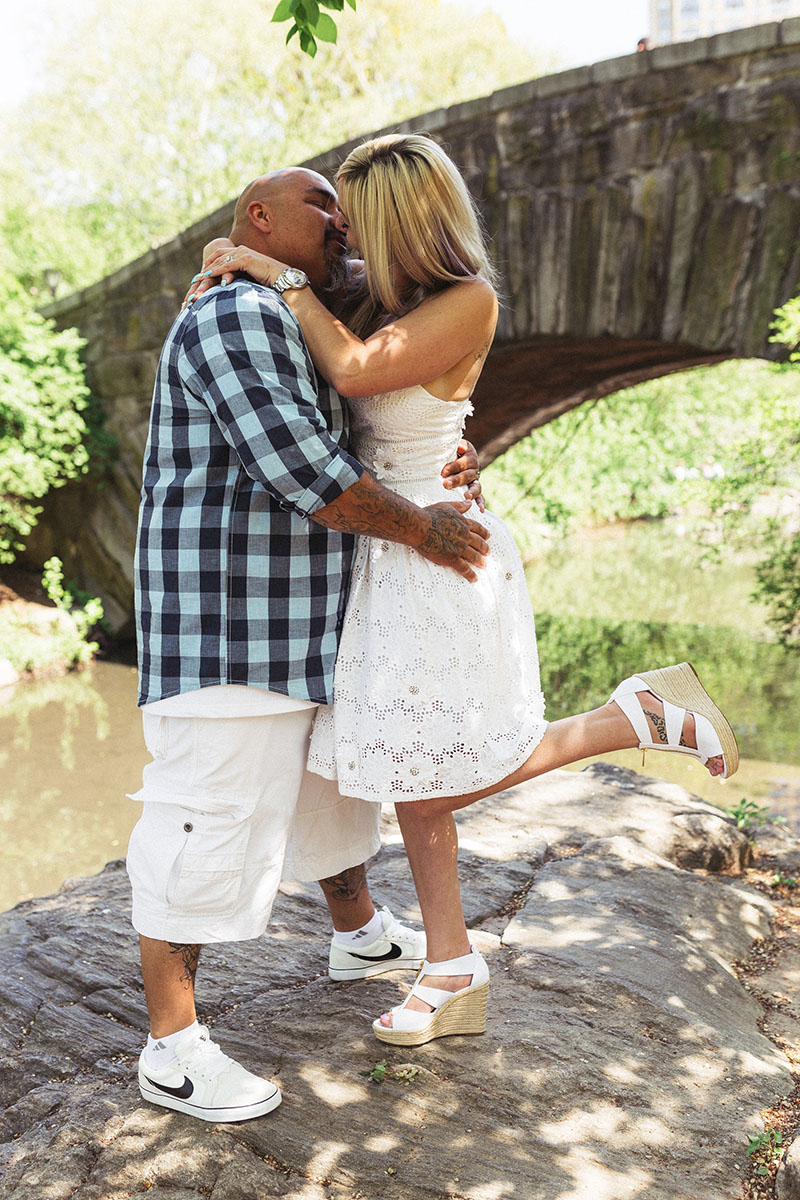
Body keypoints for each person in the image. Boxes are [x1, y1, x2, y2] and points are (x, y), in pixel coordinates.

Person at [194, 133, 739, 1050]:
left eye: (356, 219)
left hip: (441, 549)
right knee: (413, 771)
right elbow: (303, 316)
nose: (342, 237)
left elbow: (357, 374)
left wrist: (272, 275)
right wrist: (232, 256)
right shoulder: (370, 296)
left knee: (434, 767)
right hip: (394, 546)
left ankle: (635, 715)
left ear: (403, 220)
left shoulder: (467, 300)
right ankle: (450, 963)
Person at [129, 163, 492, 1123]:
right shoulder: (240, 316)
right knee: (206, 825)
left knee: (334, 794)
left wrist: (455, 443)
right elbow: (312, 475)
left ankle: (360, 933)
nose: (341, 224)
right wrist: (429, 529)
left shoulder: (296, 305)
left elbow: (388, 402)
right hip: (231, 630)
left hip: (304, 619)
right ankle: (171, 1048)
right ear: (258, 218)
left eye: (346, 207)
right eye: (318, 205)